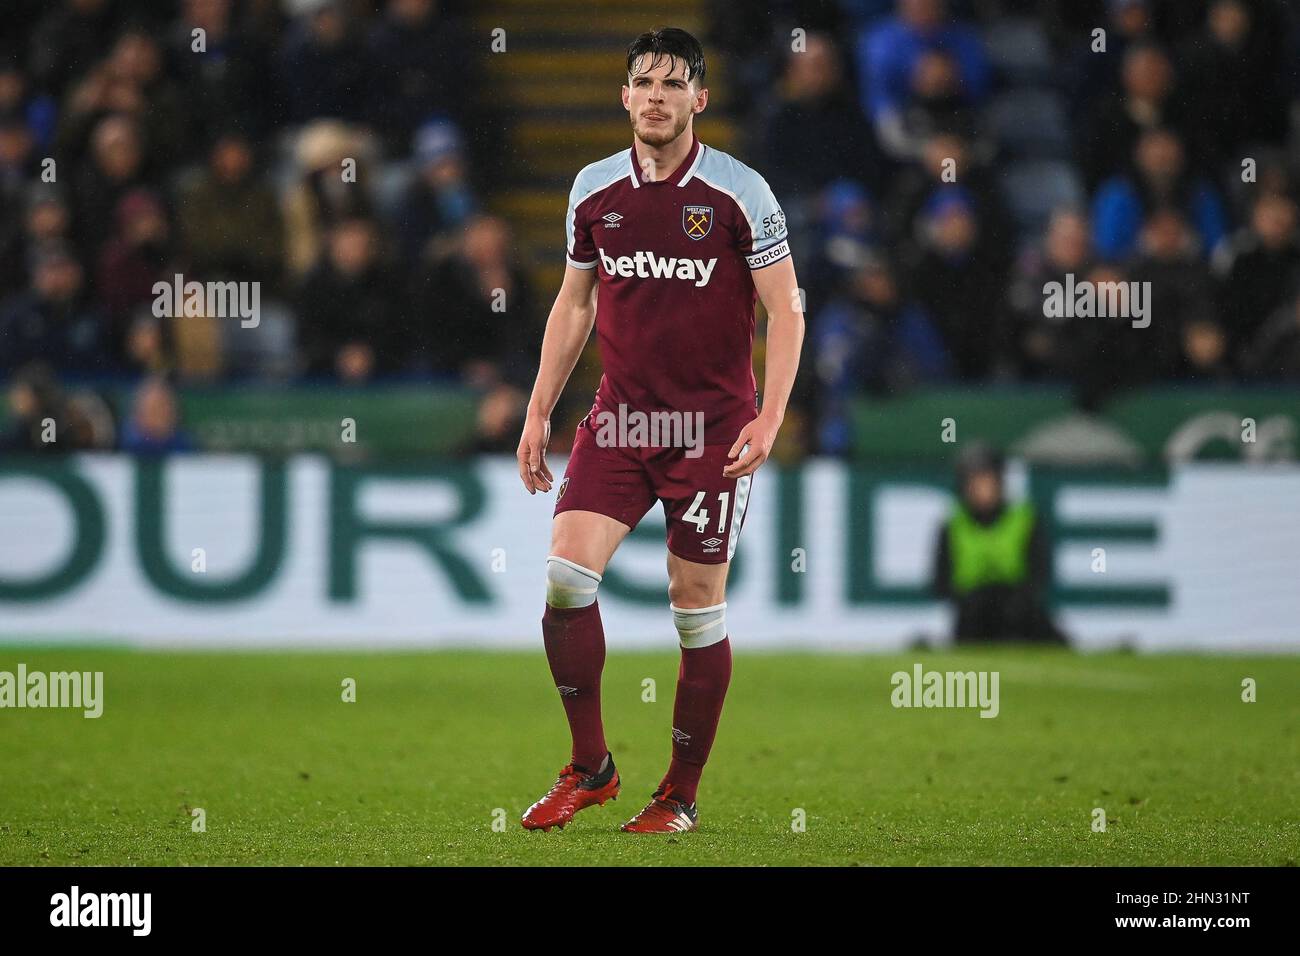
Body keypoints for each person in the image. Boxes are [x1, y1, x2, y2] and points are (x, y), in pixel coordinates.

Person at [515, 28, 804, 833]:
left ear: (699, 101)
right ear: (624, 96)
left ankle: (679, 793)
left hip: (712, 430)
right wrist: (539, 408)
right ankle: (592, 767)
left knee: (694, 610)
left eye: (673, 85)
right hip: (622, 417)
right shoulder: (593, 189)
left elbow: (786, 308)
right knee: (566, 578)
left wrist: (770, 414)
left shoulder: (741, 193)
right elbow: (575, 304)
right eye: (643, 82)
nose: (655, 96)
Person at [931, 443, 1066, 645]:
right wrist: (968, 598)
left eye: (987, 481)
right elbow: (940, 582)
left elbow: (1040, 572)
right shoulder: (953, 524)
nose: (981, 490)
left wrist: (1015, 598)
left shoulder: (1023, 519)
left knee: (1034, 622)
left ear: (1000, 481)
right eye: (974, 482)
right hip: (972, 615)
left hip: (1017, 612)